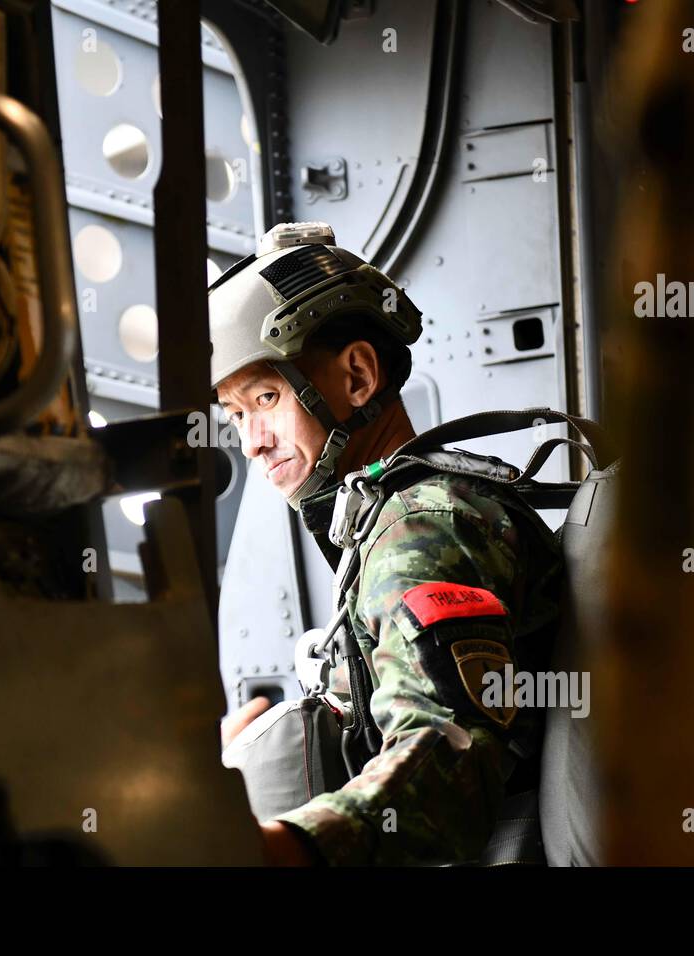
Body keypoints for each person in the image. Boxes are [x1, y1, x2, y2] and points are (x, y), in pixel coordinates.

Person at [211, 222, 562, 866]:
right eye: (236, 414)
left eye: (266, 397)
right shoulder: (388, 519)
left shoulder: (423, 526)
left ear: (358, 377)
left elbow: (445, 759)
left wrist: (287, 850)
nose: (251, 440)